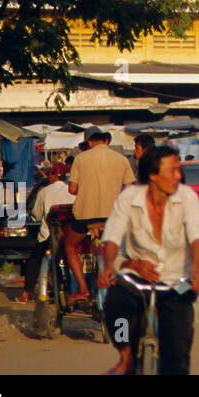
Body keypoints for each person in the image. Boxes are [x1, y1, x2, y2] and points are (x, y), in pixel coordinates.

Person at [99, 146, 199, 375]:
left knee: (177, 348)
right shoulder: (129, 198)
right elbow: (112, 237)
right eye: (172, 170)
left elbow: (197, 238)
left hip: (178, 279)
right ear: (152, 174)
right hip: (137, 274)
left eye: (179, 170)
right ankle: (126, 355)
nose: (179, 176)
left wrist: (197, 271)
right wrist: (110, 266)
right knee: (116, 307)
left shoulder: (186, 197)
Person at [66, 127, 134, 305]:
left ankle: (82, 288)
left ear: (89, 142)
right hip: (113, 218)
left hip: (85, 217)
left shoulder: (80, 159)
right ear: (106, 141)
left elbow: (72, 189)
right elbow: (130, 190)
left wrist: (87, 189)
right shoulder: (122, 159)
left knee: (70, 246)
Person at [16, 161, 73, 303]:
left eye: (49, 173)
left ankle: (25, 294)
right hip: (69, 236)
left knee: (34, 261)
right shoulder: (72, 191)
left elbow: (36, 215)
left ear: (54, 175)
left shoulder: (44, 192)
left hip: (48, 236)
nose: (48, 176)